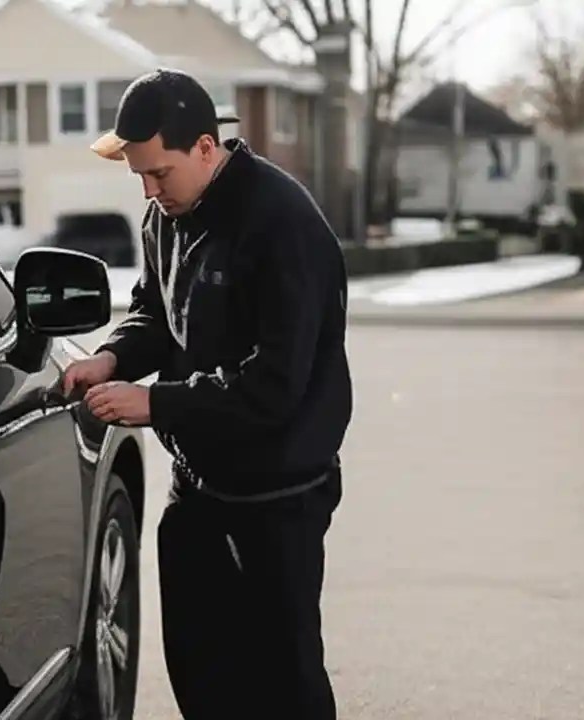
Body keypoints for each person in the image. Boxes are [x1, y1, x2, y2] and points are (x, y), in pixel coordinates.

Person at [62, 68, 353, 719]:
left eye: (158, 172)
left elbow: (274, 389)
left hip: (281, 492)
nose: (148, 188)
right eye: (137, 174)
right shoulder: (163, 216)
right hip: (198, 483)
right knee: (198, 664)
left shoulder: (283, 226)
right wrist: (111, 358)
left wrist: (154, 404)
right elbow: (154, 314)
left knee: (285, 676)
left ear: (204, 147)